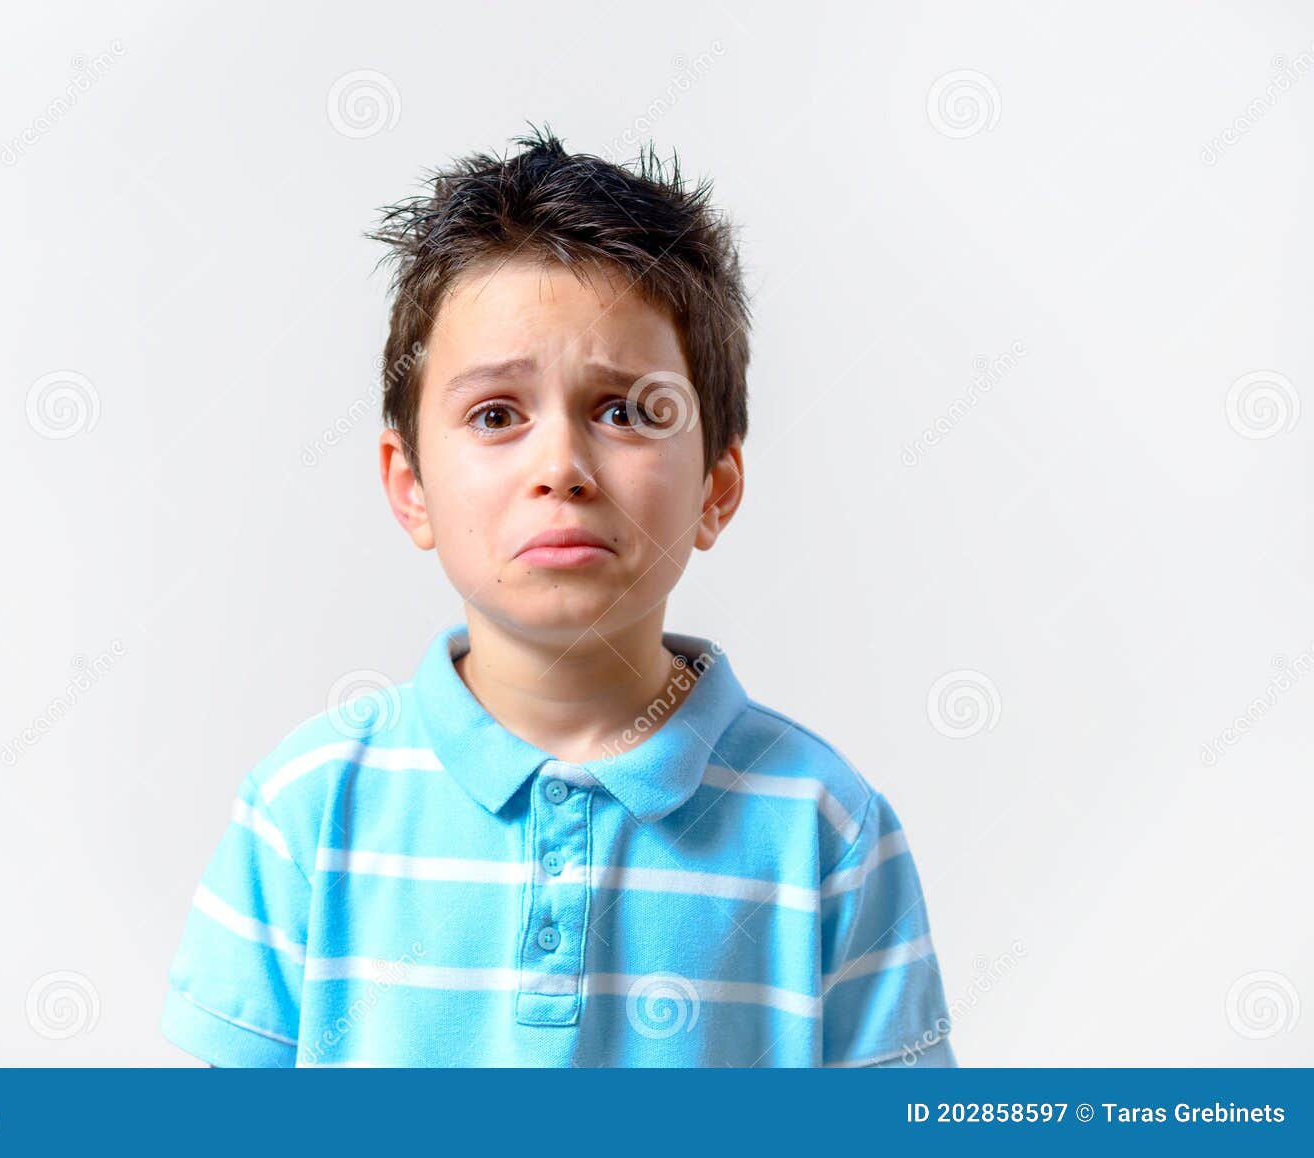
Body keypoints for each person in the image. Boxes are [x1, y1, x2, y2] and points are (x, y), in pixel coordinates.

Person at [160, 125, 955, 1067]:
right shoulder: (304, 814)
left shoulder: (826, 826)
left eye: (626, 411)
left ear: (717, 487)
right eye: (496, 415)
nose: (563, 467)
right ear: (410, 485)